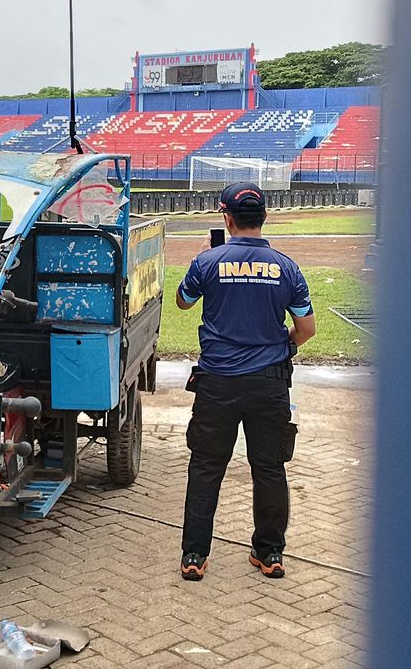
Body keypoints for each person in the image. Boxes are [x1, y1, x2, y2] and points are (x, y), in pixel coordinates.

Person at [174, 182, 315, 581]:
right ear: (265, 216)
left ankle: (194, 556)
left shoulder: (208, 262)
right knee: (269, 468)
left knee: (205, 467)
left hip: (216, 383)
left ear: (226, 217)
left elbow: (184, 302)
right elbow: (306, 328)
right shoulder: (286, 267)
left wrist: (206, 256)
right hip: (269, 382)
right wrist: (282, 344)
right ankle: (269, 554)